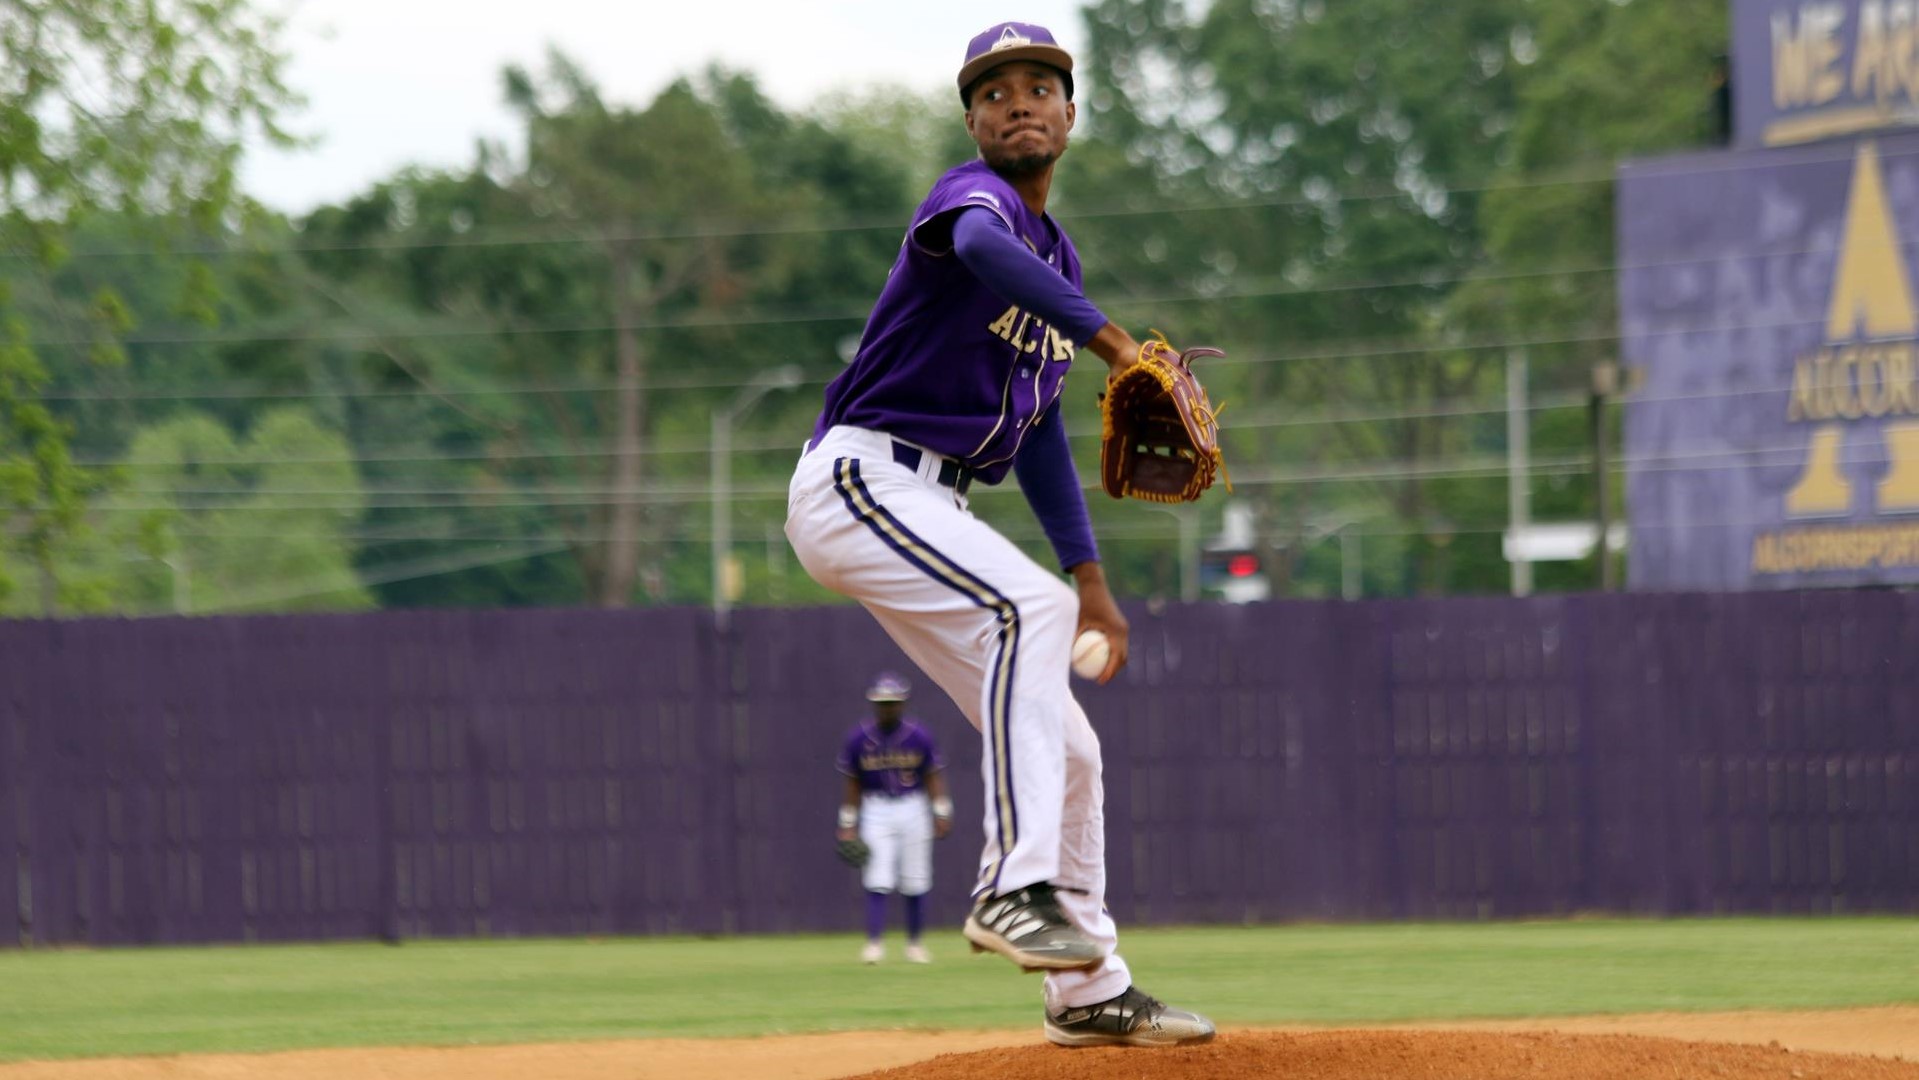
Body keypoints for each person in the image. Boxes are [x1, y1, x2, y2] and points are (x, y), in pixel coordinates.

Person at [784, 20, 1214, 1049]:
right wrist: (1113, 340)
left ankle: (1087, 989)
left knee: (1073, 748)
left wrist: (1092, 579)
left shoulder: (1053, 263)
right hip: (859, 476)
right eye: (993, 91)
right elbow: (979, 249)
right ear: (973, 122)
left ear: (1068, 115)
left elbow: (1034, 439)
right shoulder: (967, 204)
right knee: (1028, 610)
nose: (1016, 101)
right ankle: (1011, 888)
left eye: (1038, 85)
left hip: (927, 506)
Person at [835, 671, 953, 964]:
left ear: (903, 703)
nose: (888, 707)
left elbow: (933, 776)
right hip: (876, 808)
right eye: (882, 702)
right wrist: (848, 821)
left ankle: (915, 944)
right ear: (874, 704)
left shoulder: (918, 734)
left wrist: (941, 811)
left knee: (916, 877)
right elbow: (853, 783)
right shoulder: (859, 737)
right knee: (877, 876)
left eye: (893, 702)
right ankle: (874, 943)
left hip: (913, 805)